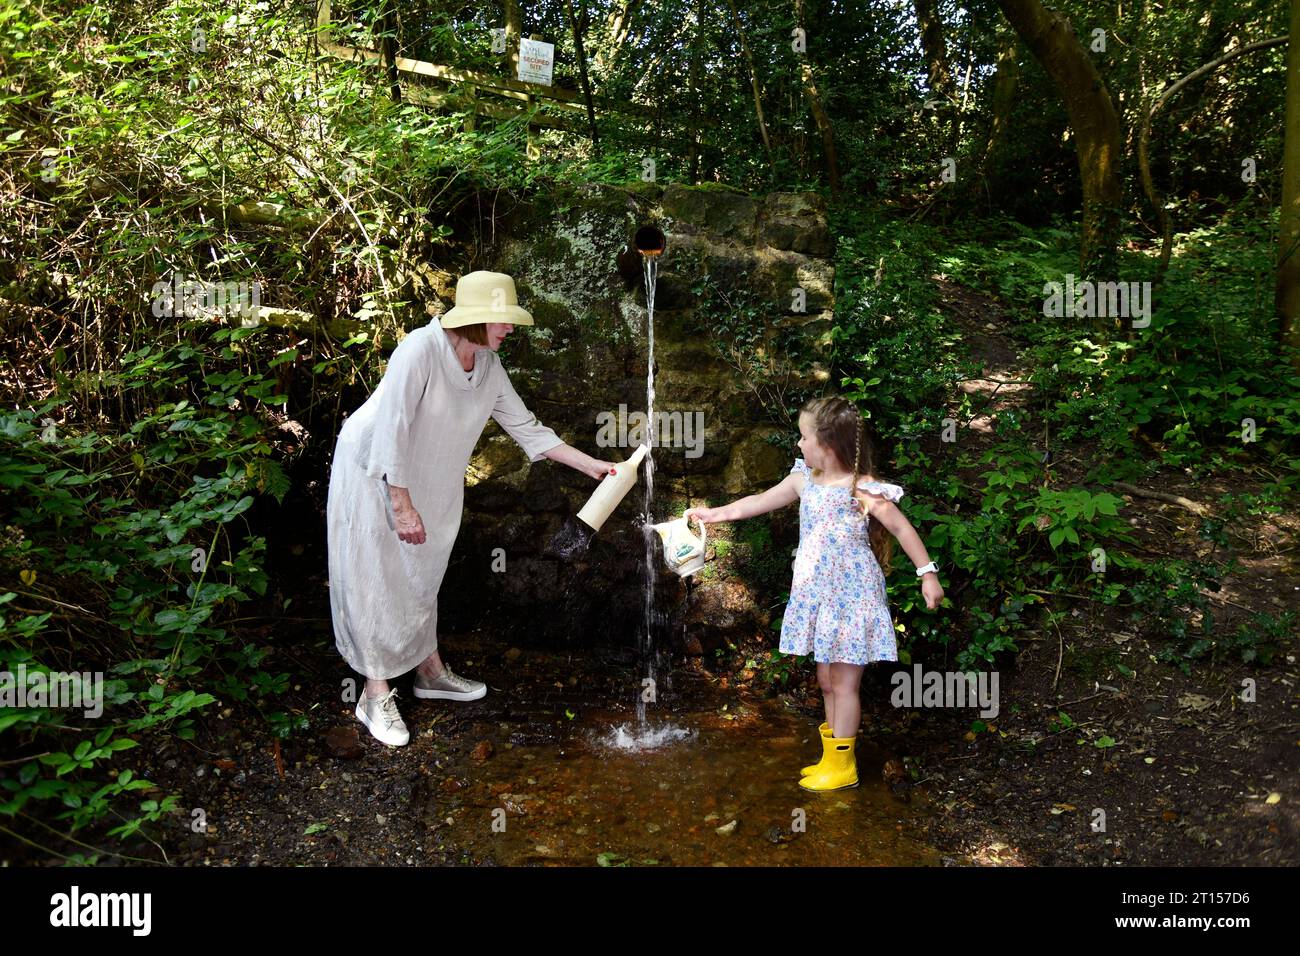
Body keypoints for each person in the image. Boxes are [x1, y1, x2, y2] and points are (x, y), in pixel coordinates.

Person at [326, 271, 618, 746]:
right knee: (374, 573)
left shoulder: (486, 365)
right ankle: (373, 693)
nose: (510, 330)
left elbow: (529, 429)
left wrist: (594, 467)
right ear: (478, 318)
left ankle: (429, 672)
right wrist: (399, 505)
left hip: (434, 477)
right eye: (504, 321)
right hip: (375, 472)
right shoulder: (420, 351)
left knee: (424, 570)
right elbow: (391, 430)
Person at [685, 396, 944, 790]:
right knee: (825, 678)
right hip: (818, 593)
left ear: (829, 445)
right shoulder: (802, 479)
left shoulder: (861, 488)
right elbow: (759, 502)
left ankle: (843, 766)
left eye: (805, 437)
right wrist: (715, 513)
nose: (799, 445)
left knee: (843, 682)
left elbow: (903, 529)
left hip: (852, 595)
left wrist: (927, 574)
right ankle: (830, 758)